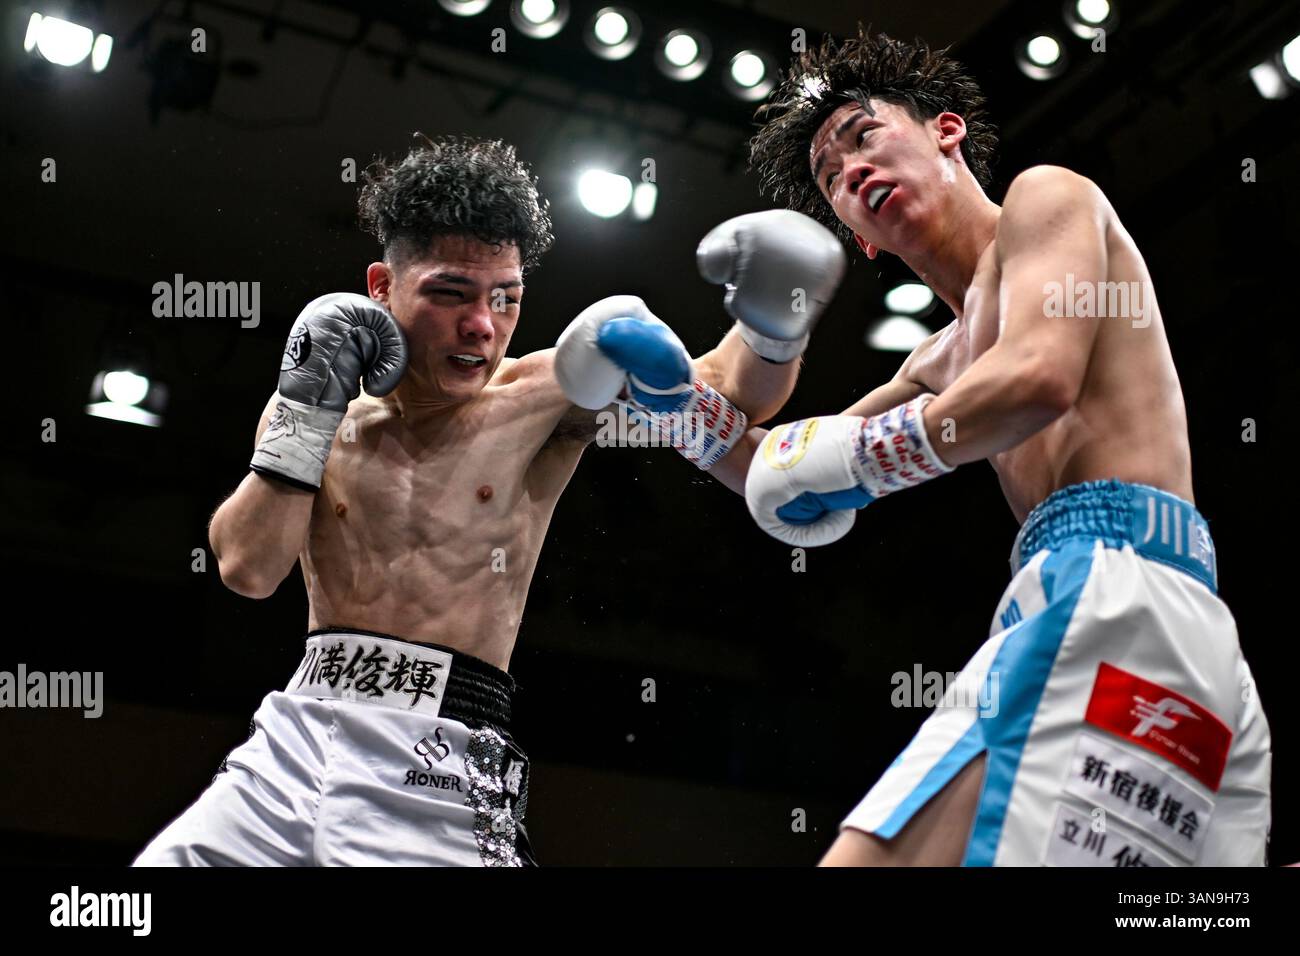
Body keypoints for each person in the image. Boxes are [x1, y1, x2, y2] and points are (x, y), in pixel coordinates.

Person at [132, 134, 844, 866]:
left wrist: (770, 326)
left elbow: (726, 395)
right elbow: (248, 567)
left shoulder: (544, 395)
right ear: (381, 286)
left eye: (505, 298)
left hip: (440, 755)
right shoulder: (324, 408)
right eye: (451, 294)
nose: (483, 324)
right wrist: (303, 411)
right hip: (293, 736)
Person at [735, 30, 1271, 866]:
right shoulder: (936, 364)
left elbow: (1037, 378)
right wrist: (677, 392)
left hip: (1106, 590)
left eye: (862, 134)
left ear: (947, 130)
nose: (850, 172)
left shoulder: (1047, 197)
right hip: (1157, 623)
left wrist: (854, 461)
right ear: (860, 241)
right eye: (830, 178)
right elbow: (784, 473)